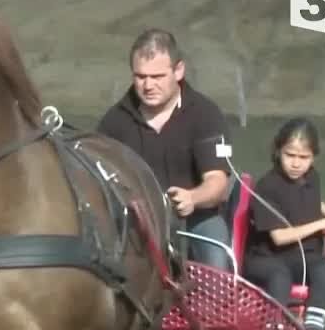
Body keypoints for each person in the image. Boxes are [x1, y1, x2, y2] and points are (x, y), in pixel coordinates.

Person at [97, 28, 234, 271]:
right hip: (135, 224)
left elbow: (218, 184)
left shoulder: (205, 115)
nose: (148, 85)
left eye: (157, 76)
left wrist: (192, 198)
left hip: (197, 218)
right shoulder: (113, 123)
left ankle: (215, 305)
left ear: (178, 70)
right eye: (140, 76)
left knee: (216, 255)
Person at [243, 118, 325, 330]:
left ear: (313, 157)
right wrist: (323, 223)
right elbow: (280, 237)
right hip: (266, 258)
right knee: (279, 275)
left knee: (323, 267)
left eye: (304, 157)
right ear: (278, 152)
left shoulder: (311, 177)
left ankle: (312, 328)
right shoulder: (268, 186)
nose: (296, 163)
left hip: (300, 257)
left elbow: (313, 201)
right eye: (290, 155)